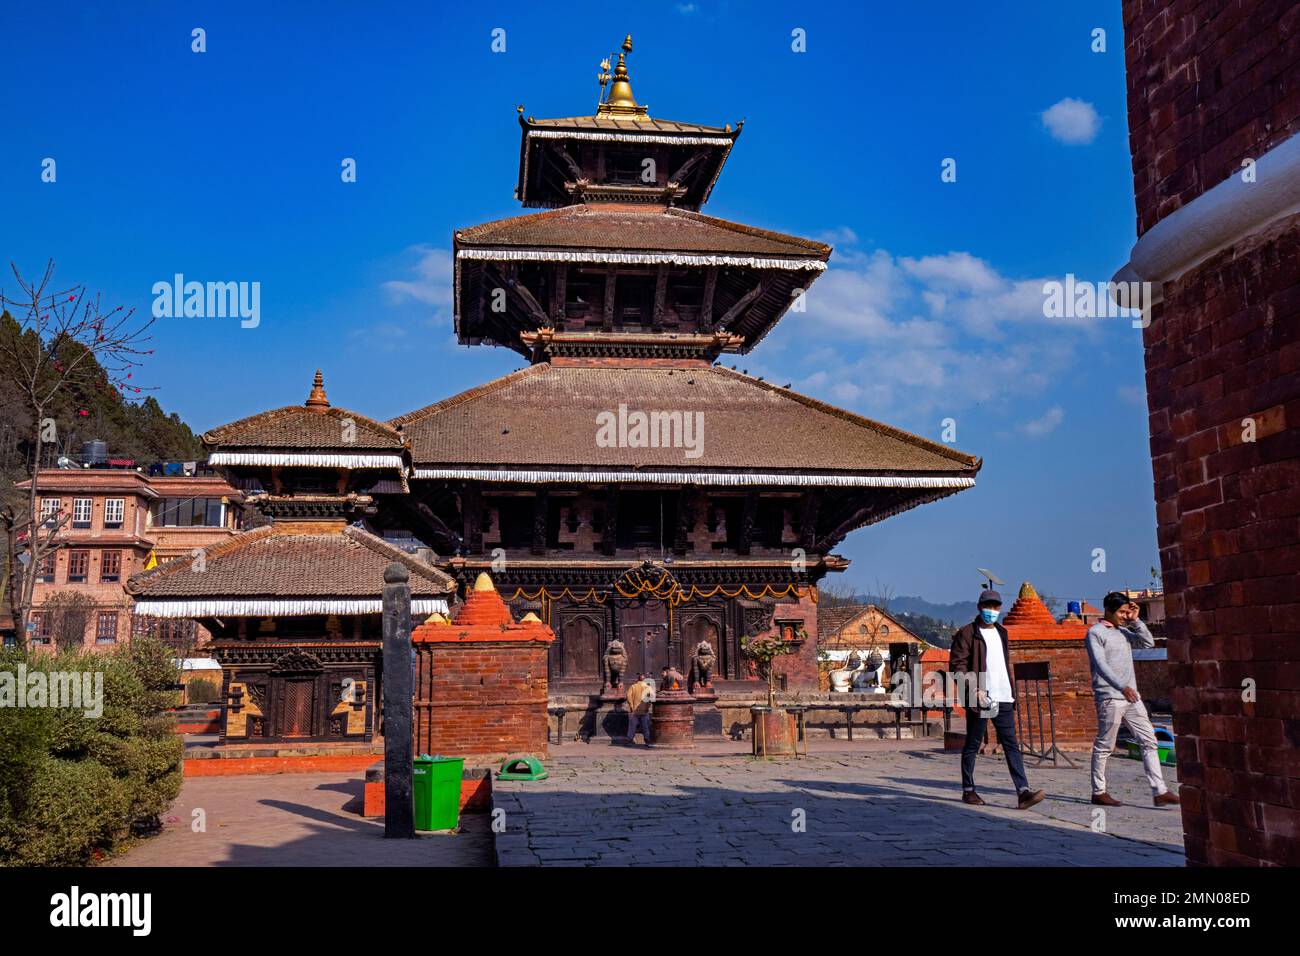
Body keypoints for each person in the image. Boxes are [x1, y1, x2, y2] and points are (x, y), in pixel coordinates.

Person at [949, 589, 1046, 810]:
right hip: (981, 697)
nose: (991, 610)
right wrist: (972, 688)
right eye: (987, 606)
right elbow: (957, 666)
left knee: (1011, 744)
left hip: (1003, 695)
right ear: (979, 607)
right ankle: (968, 789)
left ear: (1000, 608)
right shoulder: (967, 634)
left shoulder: (1002, 632)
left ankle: (1022, 791)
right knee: (973, 743)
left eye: (995, 607)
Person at [1087, 592, 1180, 808]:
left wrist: (1136, 620)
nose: (1123, 616)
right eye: (1120, 612)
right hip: (1110, 697)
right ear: (1108, 611)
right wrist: (1122, 686)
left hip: (1132, 697)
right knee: (1105, 745)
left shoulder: (1124, 632)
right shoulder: (1095, 633)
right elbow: (1101, 665)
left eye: (1126, 612)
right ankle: (1098, 791)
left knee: (1149, 741)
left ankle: (1159, 790)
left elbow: (1147, 643)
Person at [625, 673, 655, 745]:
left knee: (632, 726)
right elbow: (651, 698)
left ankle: (629, 740)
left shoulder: (633, 687)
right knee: (645, 727)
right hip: (644, 710)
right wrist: (647, 706)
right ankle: (647, 740)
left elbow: (628, 696)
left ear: (637, 679)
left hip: (635, 710)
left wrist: (631, 706)